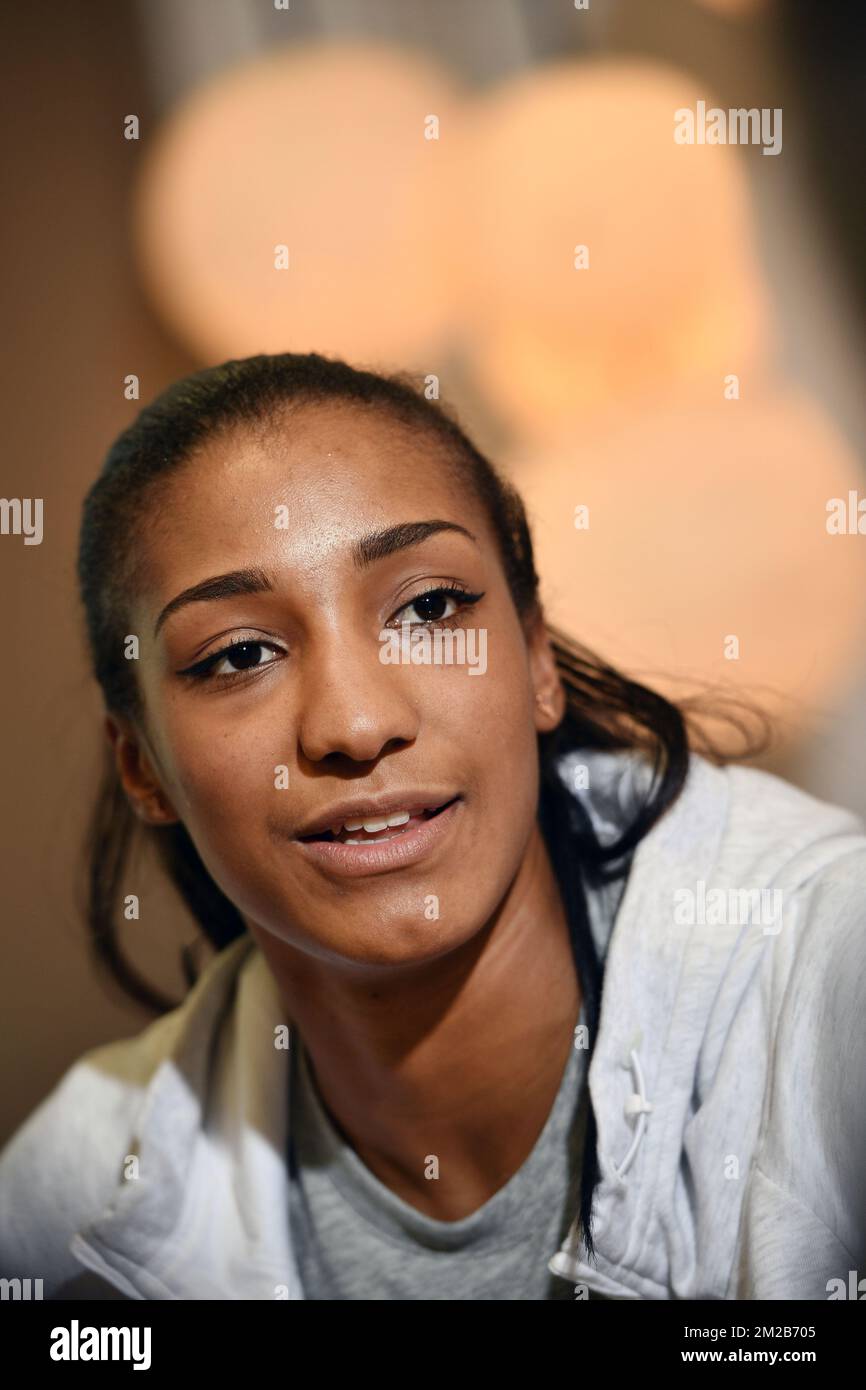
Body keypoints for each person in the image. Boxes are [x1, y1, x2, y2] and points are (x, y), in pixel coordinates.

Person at [1, 352, 864, 1301]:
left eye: (429, 607)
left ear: (538, 661)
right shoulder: (67, 1200)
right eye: (241, 654)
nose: (357, 724)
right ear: (144, 768)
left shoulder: (830, 975)